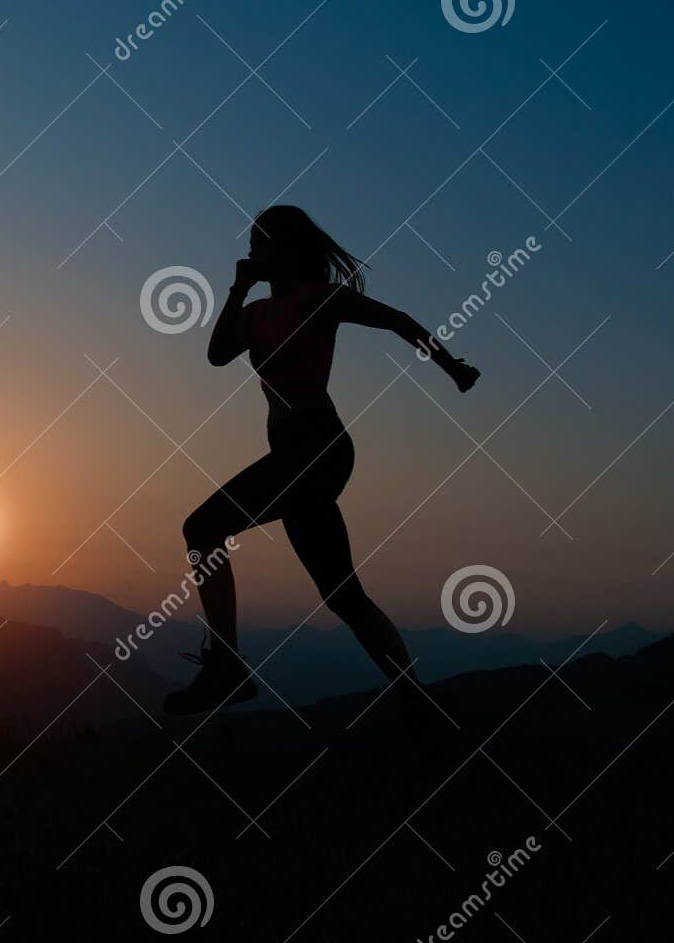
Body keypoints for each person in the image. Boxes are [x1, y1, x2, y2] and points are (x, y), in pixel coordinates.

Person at [166, 205, 480, 716]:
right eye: (251, 241)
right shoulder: (254, 314)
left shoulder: (317, 299)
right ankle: (418, 704)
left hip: (318, 448)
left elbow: (396, 321)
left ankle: (225, 668)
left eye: (262, 242)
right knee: (342, 596)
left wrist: (451, 366)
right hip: (292, 455)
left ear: (289, 249)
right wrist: (238, 289)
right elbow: (217, 354)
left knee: (202, 528)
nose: (252, 251)